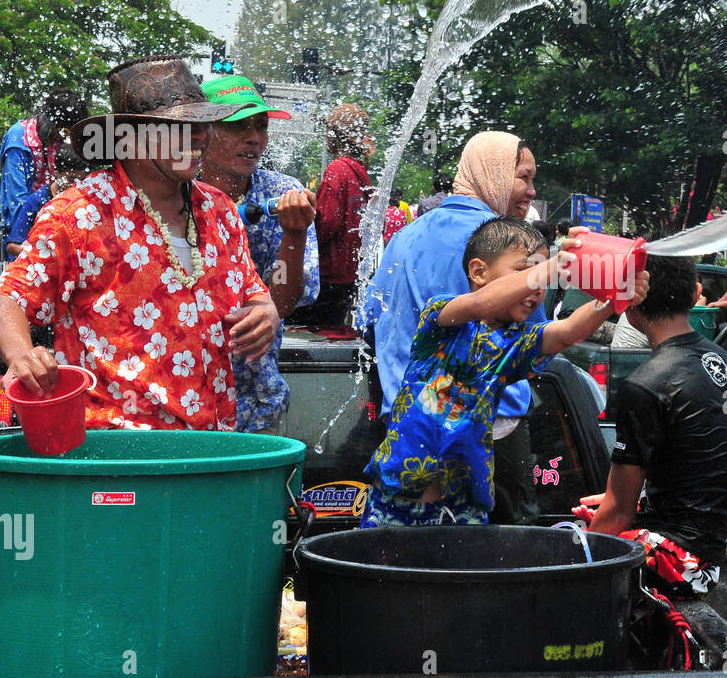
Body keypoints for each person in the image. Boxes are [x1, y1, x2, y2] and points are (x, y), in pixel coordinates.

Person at [0, 55, 277, 430]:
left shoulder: (219, 210)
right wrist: (22, 356)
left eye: (203, 124)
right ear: (130, 137)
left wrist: (265, 309)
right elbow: (5, 300)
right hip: (117, 454)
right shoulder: (80, 213)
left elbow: (253, 291)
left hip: (211, 447)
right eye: (181, 127)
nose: (200, 137)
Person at [362, 218, 648, 526]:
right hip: (396, 503)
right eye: (524, 271)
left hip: (464, 510)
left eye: (540, 277)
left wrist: (613, 299)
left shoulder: (514, 344)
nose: (537, 286)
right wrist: (550, 267)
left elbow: (565, 333)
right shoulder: (441, 317)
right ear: (478, 271)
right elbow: (481, 303)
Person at [363, 130, 543, 525]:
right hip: (489, 432)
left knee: (411, 559)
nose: (531, 191)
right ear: (493, 173)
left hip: (408, 431)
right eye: (524, 177)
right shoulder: (510, 247)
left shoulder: (404, 238)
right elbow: (537, 343)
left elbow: (369, 323)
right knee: (505, 562)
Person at [576, 254, 727, 598]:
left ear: (629, 302)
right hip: (710, 551)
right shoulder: (723, 361)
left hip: (679, 560)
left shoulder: (645, 384)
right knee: (590, 516)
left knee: (567, 542)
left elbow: (619, 514)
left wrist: (581, 552)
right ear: (696, 292)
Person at [199, 75, 319, 434]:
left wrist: (294, 235)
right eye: (238, 126)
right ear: (201, 132)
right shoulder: (174, 196)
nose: (254, 137)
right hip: (183, 397)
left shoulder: (283, 194)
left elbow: (280, 303)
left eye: (261, 126)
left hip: (255, 399)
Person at [309, 103, 374, 326]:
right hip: (348, 273)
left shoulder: (337, 170)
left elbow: (325, 224)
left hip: (328, 275)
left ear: (335, 137)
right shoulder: (358, 171)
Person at [0, 91, 89, 230]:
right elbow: (16, 202)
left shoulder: (56, 139)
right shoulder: (18, 140)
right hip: (20, 232)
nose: (63, 136)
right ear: (48, 120)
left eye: (69, 132)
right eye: (62, 130)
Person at [4, 143, 88, 260]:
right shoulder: (38, 201)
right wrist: (48, 258)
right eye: (71, 180)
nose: (75, 186)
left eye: (81, 180)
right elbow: (12, 246)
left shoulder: (85, 200)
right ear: (56, 173)